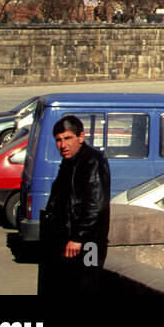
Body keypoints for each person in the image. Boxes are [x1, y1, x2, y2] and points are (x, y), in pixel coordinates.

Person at [38, 114, 111, 296]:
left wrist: (78, 238)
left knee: (87, 286)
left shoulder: (93, 161)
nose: (63, 145)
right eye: (59, 140)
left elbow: (96, 204)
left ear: (81, 137)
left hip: (89, 244)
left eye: (68, 138)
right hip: (71, 241)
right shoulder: (69, 162)